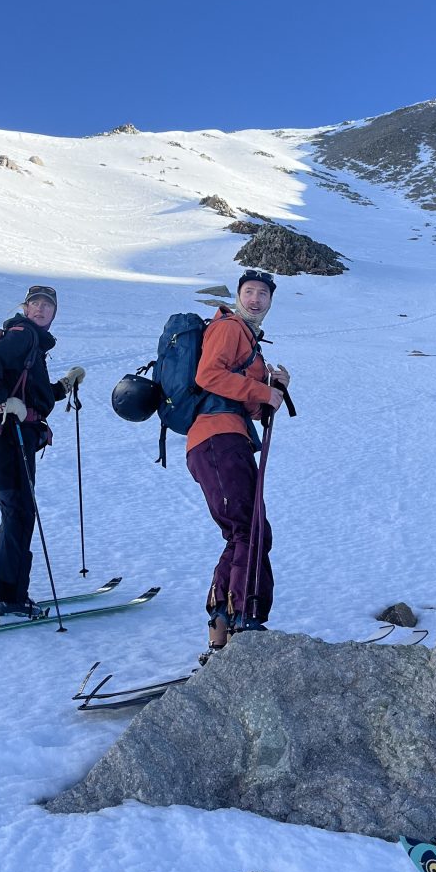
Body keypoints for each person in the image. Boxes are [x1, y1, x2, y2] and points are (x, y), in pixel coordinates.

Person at [0, 284, 85, 615]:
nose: (41, 309)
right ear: (26, 308)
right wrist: (1, 402)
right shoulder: (24, 335)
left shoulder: (32, 343)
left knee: (15, 512)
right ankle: (9, 595)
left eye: (48, 305)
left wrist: (64, 385)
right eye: (36, 304)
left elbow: (35, 396)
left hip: (12, 439)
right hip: (9, 437)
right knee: (19, 514)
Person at [186, 269, 290, 649]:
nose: (256, 299)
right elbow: (208, 375)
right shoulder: (229, 328)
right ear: (238, 295)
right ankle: (243, 620)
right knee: (249, 528)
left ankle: (222, 629)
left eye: (263, 294)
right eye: (249, 292)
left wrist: (273, 390)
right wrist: (262, 392)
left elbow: (254, 408)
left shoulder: (249, 341)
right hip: (218, 438)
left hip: (228, 439)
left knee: (244, 531)